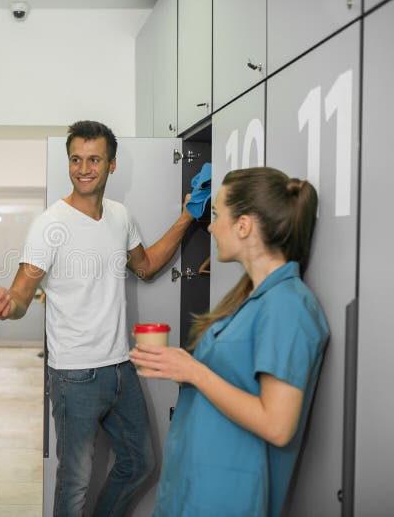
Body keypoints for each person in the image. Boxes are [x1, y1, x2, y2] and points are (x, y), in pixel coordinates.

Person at [0, 120, 194, 516]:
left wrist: (187, 217)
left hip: (120, 368)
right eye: (76, 159)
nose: (84, 168)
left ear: (111, 165)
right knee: (74, 483)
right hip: (75, 375)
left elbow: (145, 267)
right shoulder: (50, 225)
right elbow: (23, 295)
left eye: (94, 159)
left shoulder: (120, 217)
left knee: (140, 462)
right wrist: (7, 304)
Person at [130, 167, 329, 517]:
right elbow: (234, 378)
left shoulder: (287, 306)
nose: (209, 225)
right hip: (197, 486)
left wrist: (193, 372)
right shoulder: (250, 297)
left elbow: (277, 425)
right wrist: (178, 368)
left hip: (227, 496)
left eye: (217, 215)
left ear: (244, 226)